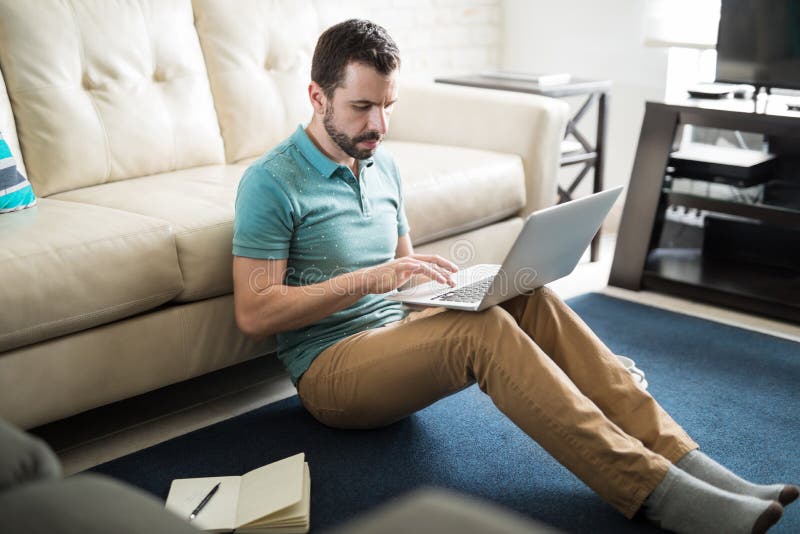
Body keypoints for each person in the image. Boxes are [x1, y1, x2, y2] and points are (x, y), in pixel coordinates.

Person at [232, 19, 796, 534]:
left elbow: (403, 281)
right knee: (484, 334)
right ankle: (655, 491)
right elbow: (255, 314)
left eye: (387, 105)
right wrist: (370, 280)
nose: (378, 124)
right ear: (316, 96)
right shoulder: (272, 182)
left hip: (392, 339)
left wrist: (457, 291)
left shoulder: (383, 165)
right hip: (331, 374)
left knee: (527, 298)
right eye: (361, 107)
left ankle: (687, 461)